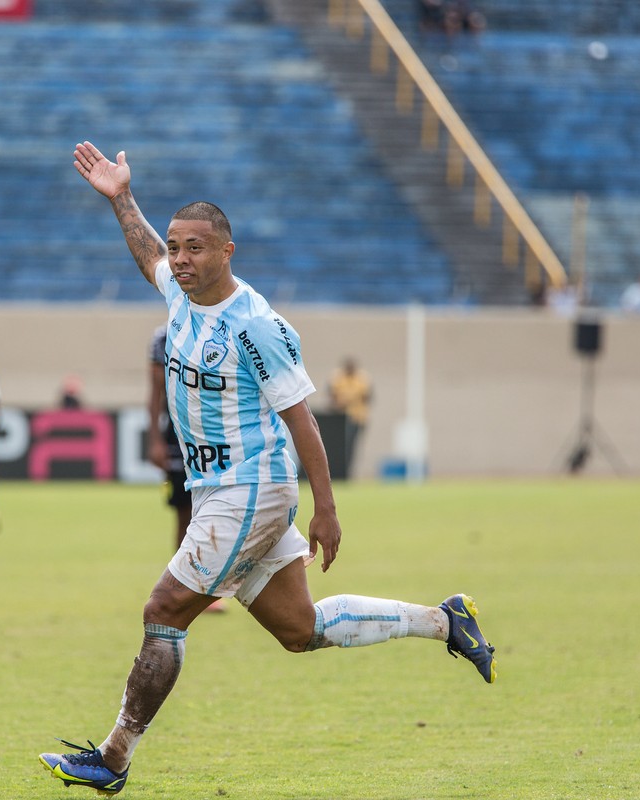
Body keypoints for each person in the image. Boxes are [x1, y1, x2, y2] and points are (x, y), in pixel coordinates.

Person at [39, 142, 498, 796]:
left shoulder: (257, 325)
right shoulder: (177, 292)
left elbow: (302, 420)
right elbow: (145, 252)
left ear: (228, 251)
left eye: (194, 247)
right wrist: (122, 199)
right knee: (298, 629)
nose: (179, 259)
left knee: (164, 609)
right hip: (219, 492)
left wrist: (328, 509)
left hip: (249, 490)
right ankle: (444, 620)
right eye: (175, 247)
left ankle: (113, 759)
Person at [147, 324, 225, 613]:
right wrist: (154, 439)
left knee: (217, 510)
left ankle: (211, 587)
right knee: (185, 514)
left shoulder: (217, 327)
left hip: (216, 434)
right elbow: (155, 392)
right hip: (178, 437)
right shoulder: (164, 336)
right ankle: (187, 589)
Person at [327, 356, 373, 472]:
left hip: (357, 418)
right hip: (339, 418)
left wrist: (349, 399)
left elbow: (368, 397)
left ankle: (348, 471)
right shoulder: (337, 378)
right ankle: (338, 470)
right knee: (338, 446)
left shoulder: (362, 378)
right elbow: (332, 396)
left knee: (351, 446)